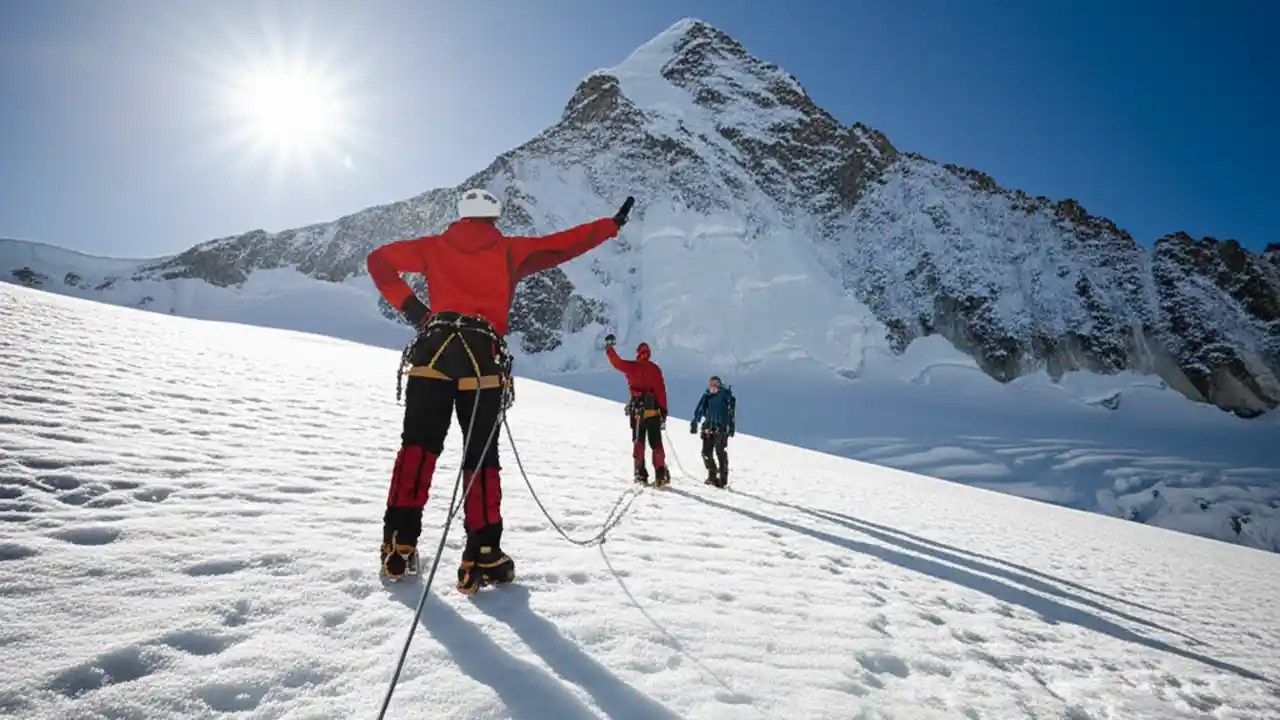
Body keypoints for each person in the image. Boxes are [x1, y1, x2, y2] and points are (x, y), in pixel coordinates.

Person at [367, 189, 635, 590]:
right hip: (481, 356)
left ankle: (400, 543)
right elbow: (561, 246)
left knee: (418, 448)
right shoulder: (510, 251)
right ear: (494, 218)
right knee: (480, 459)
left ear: (461, 216)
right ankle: (483, 553)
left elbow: (379, 261)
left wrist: (415, 310)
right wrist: (610, 226)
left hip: (433, 352)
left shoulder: (433, 248)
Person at [604, 334, 670, 486]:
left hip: (637, 414)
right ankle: (660, 474)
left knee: (639, 442)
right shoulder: (655, 369)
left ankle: (640, 474)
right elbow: (661, 392)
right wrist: (663, 413)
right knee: (656, 444)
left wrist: (609, 348)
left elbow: (617, 363)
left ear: (638, 353)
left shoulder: (632, 367)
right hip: (653, 412)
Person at [690, 375, 736, 488]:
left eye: (716, 384)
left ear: (720, 384)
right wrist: (695, 421)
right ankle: (712, 475)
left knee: (720, 453)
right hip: (708, 428)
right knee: (706, 453)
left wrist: (731, 427)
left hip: (721, 429)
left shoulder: (726, 395)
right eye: (711, 384)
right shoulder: (707, 395)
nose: (713, 386)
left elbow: (731, 413)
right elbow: (700, 408)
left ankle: (722, 479)